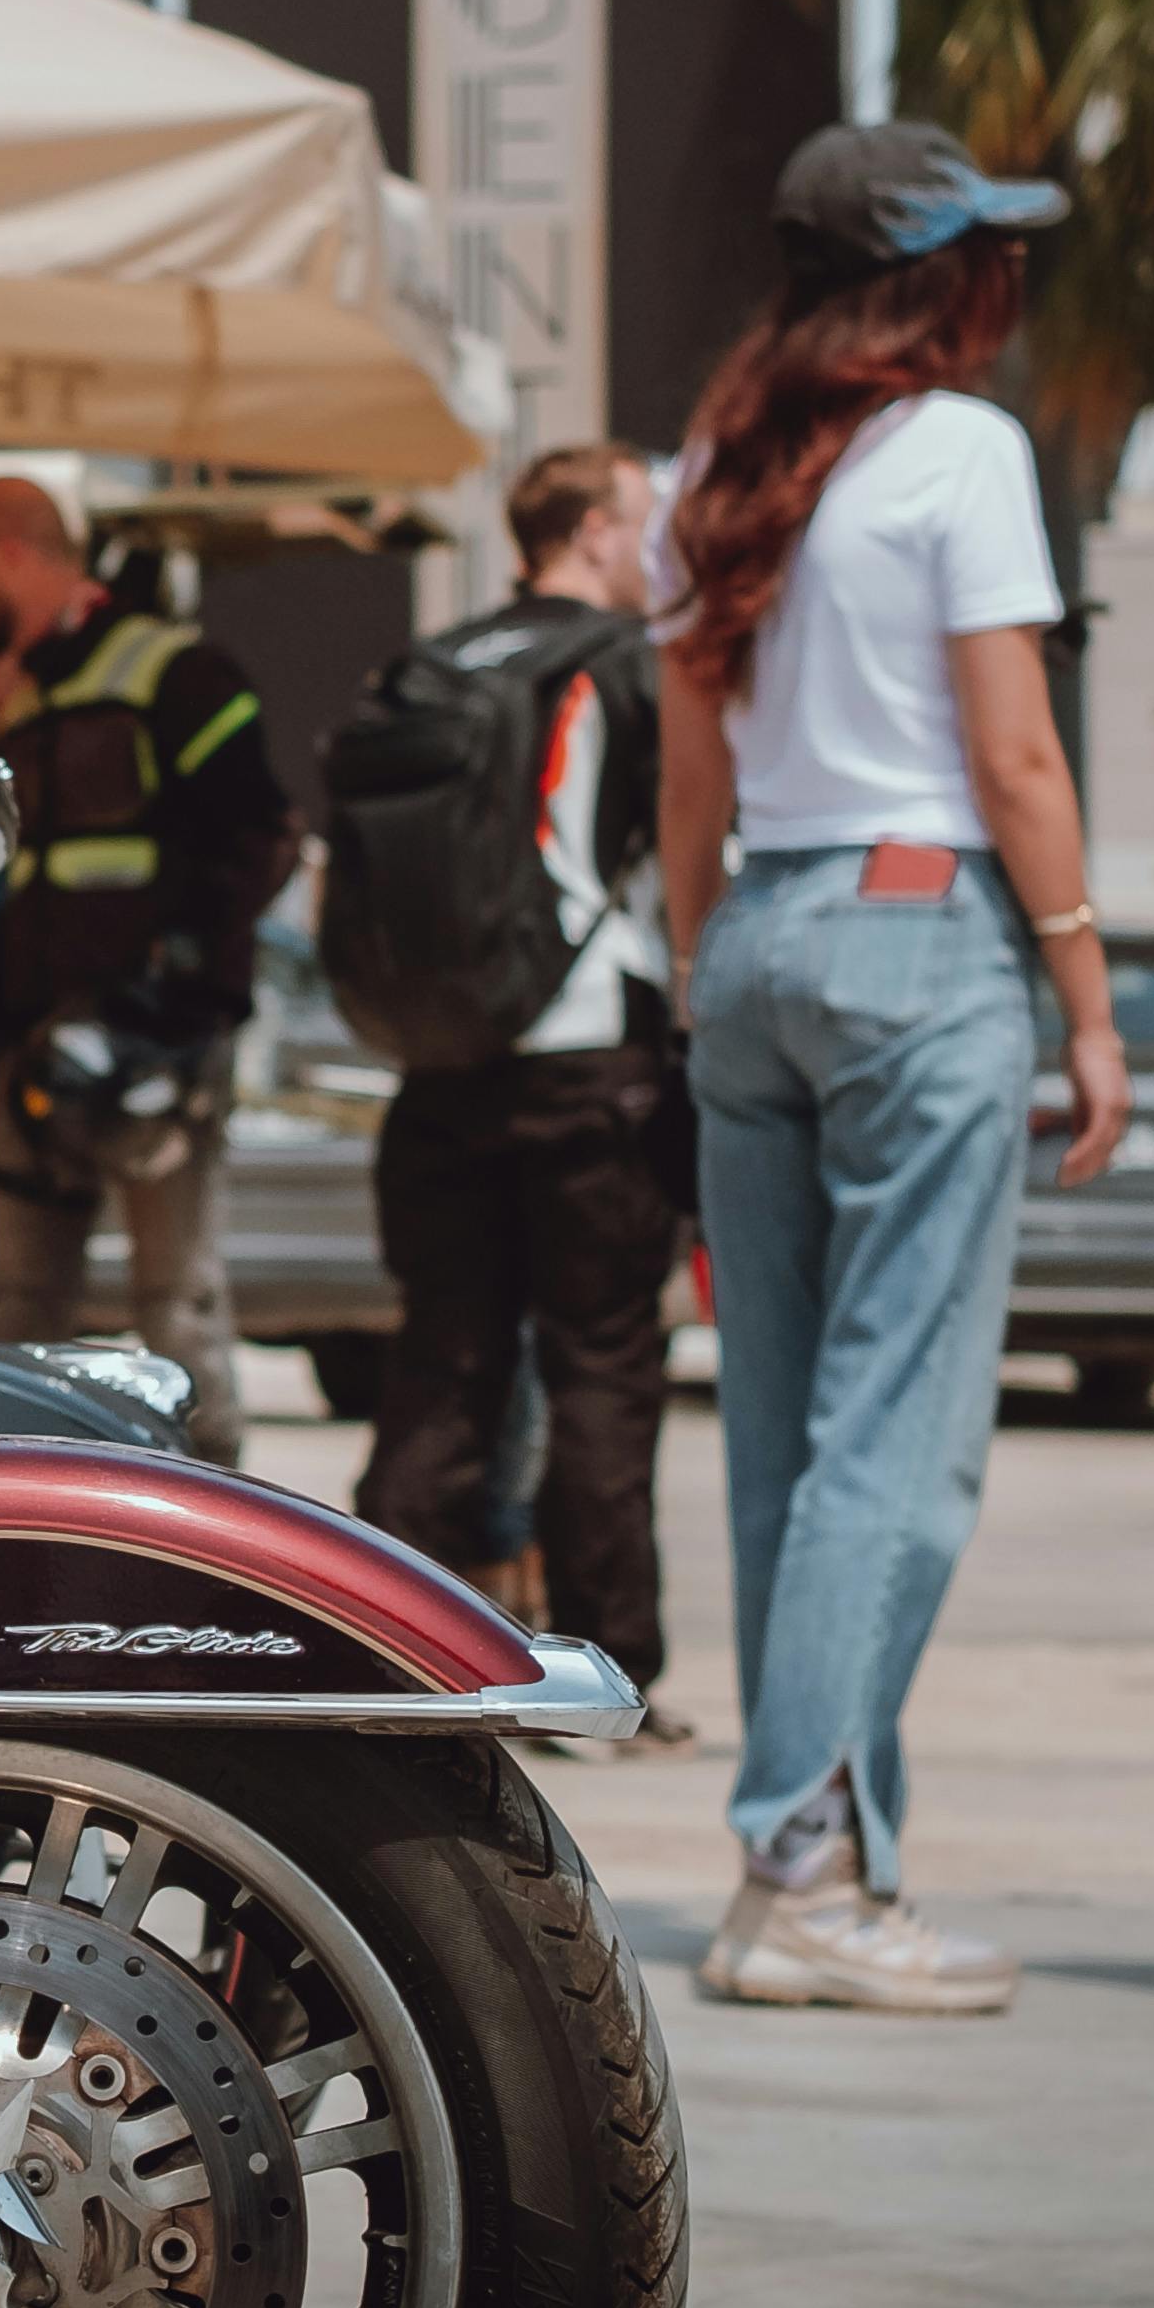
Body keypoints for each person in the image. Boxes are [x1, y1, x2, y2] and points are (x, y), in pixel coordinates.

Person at [654, 121, 1129, 2016]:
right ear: (941, 280)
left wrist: (705, 969)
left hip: (758, 934)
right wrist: (1086, 996)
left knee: (787, 1438)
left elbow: (694, 766)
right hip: (921, 930)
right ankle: (802, 1870)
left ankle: (821, 1854)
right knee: (903, 1449)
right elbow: (1016, 756)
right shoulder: (962, 452)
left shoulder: (724, 459)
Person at [351, 441, 685, 1734]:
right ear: (594, 531)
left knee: (443, 1361)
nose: (651, 548)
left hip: (443, 1063)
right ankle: (607, 1672)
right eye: (642, 523)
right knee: (601, 1366)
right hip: (589, 1050)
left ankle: (375, 1651)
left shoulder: (447, 660)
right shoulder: (617, 663)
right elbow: (682, 832)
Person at [0, 474, 293, 1461]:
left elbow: (261, 841)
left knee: (174, 1300)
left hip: (154, 1053)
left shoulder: (174, 672)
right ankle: (10, 1528)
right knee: (15, 1311)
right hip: (31, 1050)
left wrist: (171, 998)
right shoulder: (24, 695)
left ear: (11, 554)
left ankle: (225, 1536)